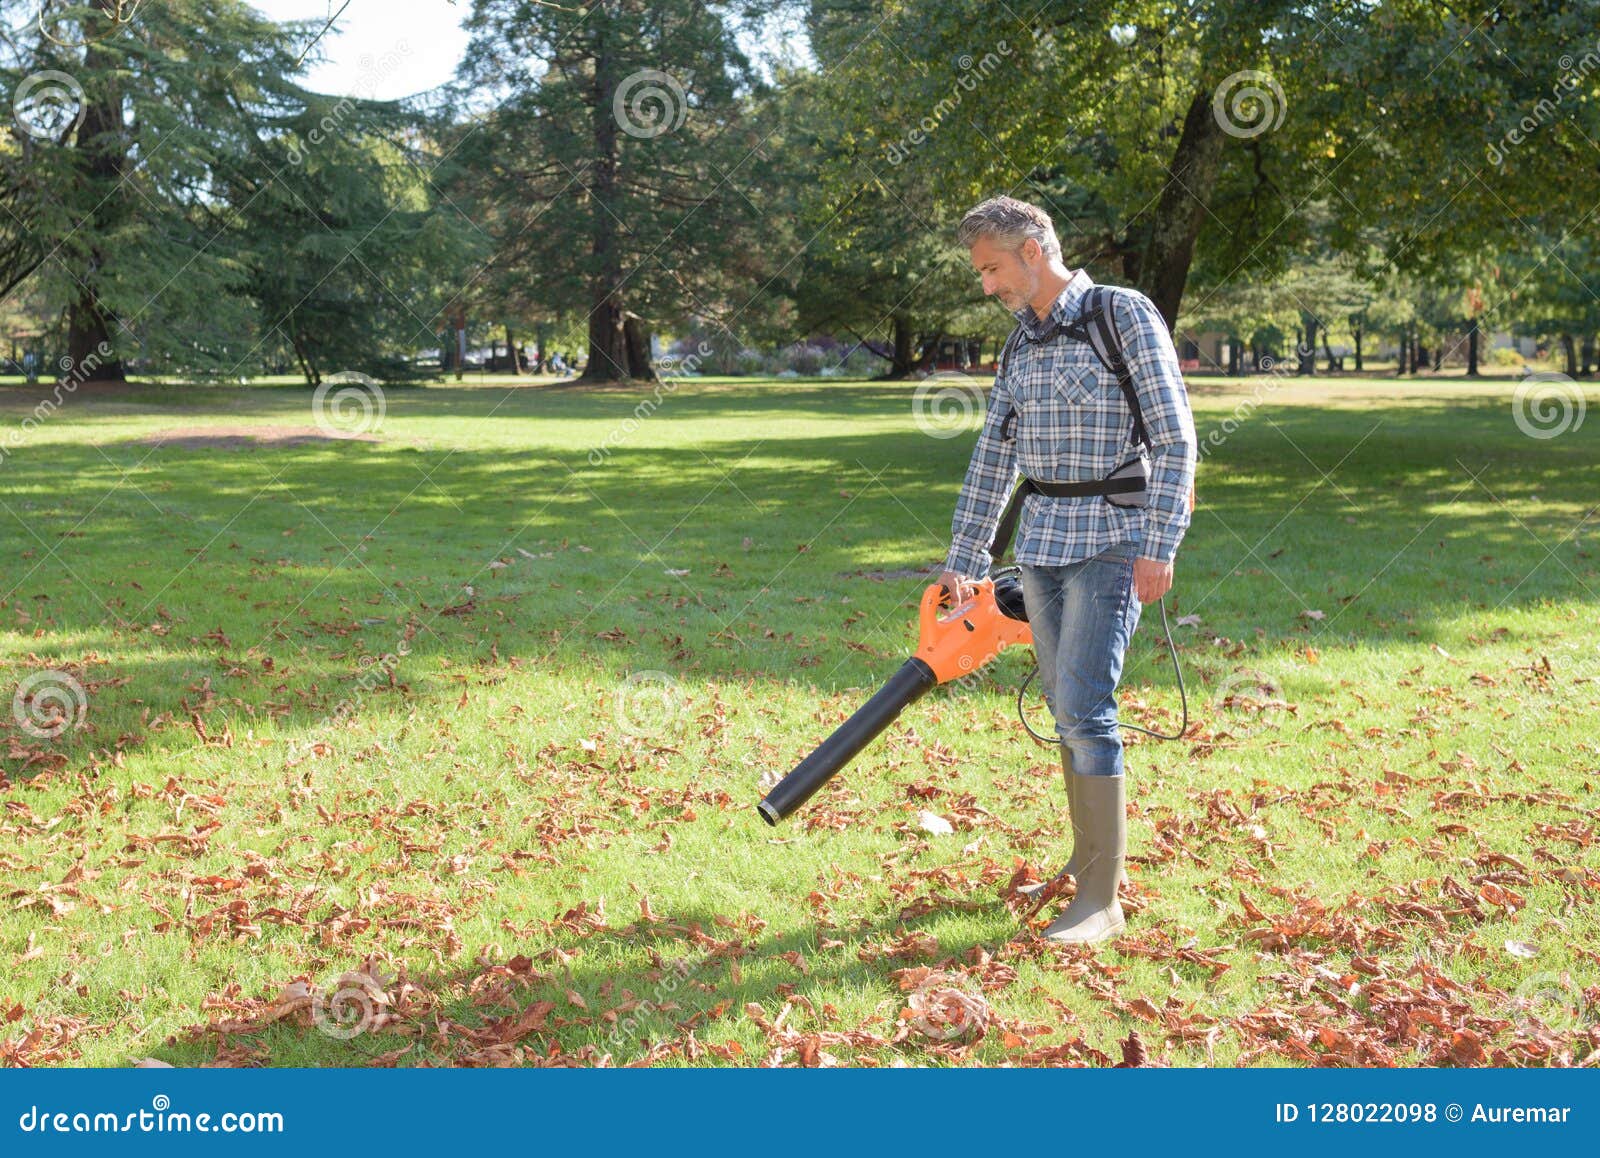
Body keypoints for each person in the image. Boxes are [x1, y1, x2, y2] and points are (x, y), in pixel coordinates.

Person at [936, 195, 1196, 946]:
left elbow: (1176, 437)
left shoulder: (1121, 315)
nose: (986, 287)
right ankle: (1087, 865)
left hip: (1114, 542)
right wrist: (965, 558)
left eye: (991, 269)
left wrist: (1161, 540)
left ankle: (1102, 902)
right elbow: (994, 457)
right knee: (1066, 712)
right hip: (1041, 546)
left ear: (1033, 249)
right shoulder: (1021, 346)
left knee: (1086, 708)